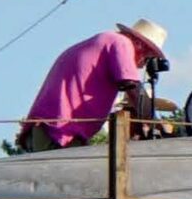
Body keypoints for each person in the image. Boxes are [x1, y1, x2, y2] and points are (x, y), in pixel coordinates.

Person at [17, 18, 169, 149]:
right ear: (140, 45)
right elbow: (134, 89)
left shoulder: (104, 41)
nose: (142, 66)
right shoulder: (121, 43)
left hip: (52, 127)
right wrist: (159, 127)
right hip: (57, 130)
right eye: (148, 58)